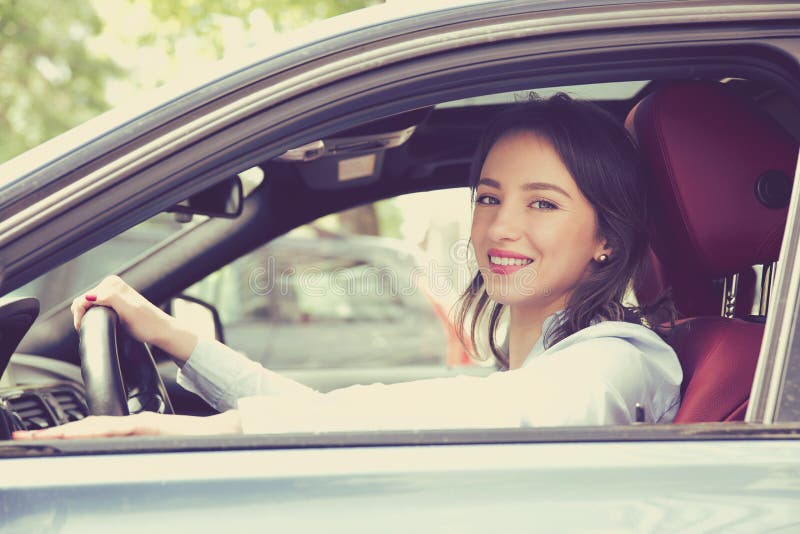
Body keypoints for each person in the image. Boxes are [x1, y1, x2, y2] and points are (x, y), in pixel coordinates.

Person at [12, 94, 681, 440]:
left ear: (605, 236)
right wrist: (174, 337)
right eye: (488, 197)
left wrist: (194, 429)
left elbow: (494, 416)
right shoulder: (536, 367)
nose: (502, 226)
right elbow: (332, 416)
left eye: (543, 203)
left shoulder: (617, 364)